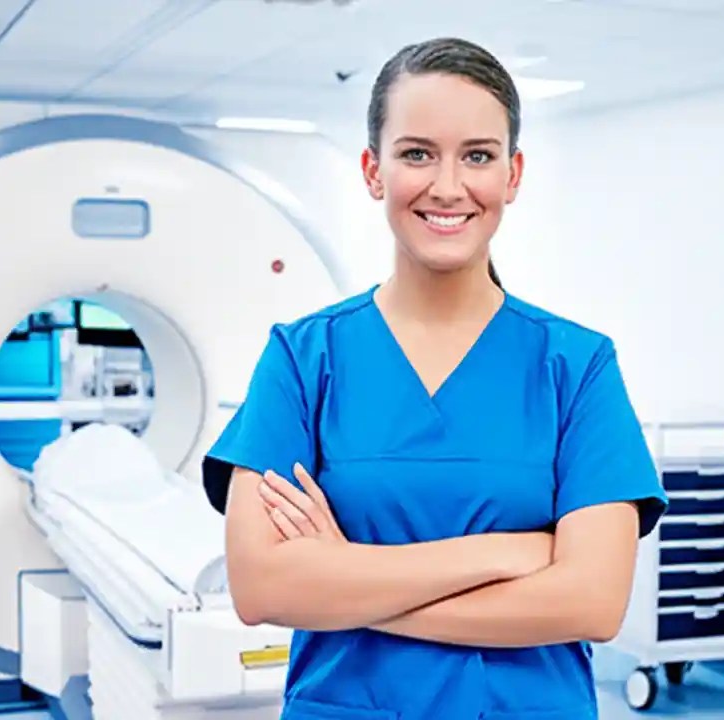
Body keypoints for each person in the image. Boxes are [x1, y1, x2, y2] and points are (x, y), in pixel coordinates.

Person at [201, 36, 668, 720]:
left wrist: (348, 580)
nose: (447, 186)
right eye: (416, 153)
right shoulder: (304, 360)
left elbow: (592, 603)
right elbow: (262, 588)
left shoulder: (576, 367)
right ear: (372, 170)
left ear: (512, 175)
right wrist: (505, 552)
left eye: (477, 156)